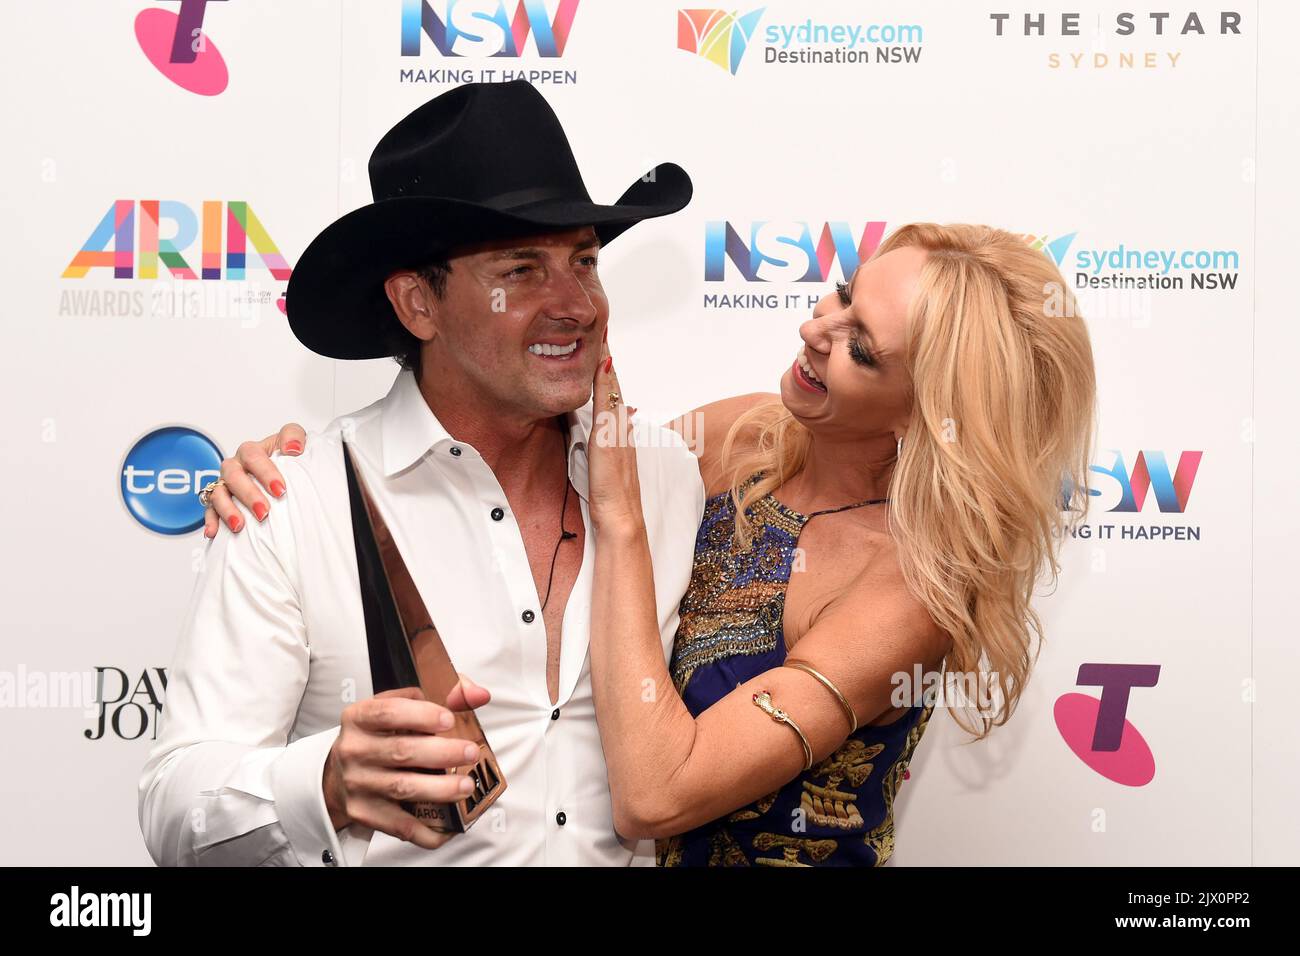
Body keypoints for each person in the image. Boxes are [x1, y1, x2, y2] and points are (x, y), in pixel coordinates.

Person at [209, 222, 1098, 866]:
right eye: (840, 294)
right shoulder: (748, 435)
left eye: (861, 347)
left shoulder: (910, 589)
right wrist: (303, 466)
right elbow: (533, 455)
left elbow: (655, 795)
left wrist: (622, 521)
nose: (812, 330)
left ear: (930, 419)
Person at [137, 79, 704, 867]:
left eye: (584, 260)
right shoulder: (295, 504)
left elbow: (817, 431)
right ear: (417, 305)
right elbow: (174, 808)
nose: (577, 303)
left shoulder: (668, 474)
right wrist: (326, 783)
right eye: (522, 270)